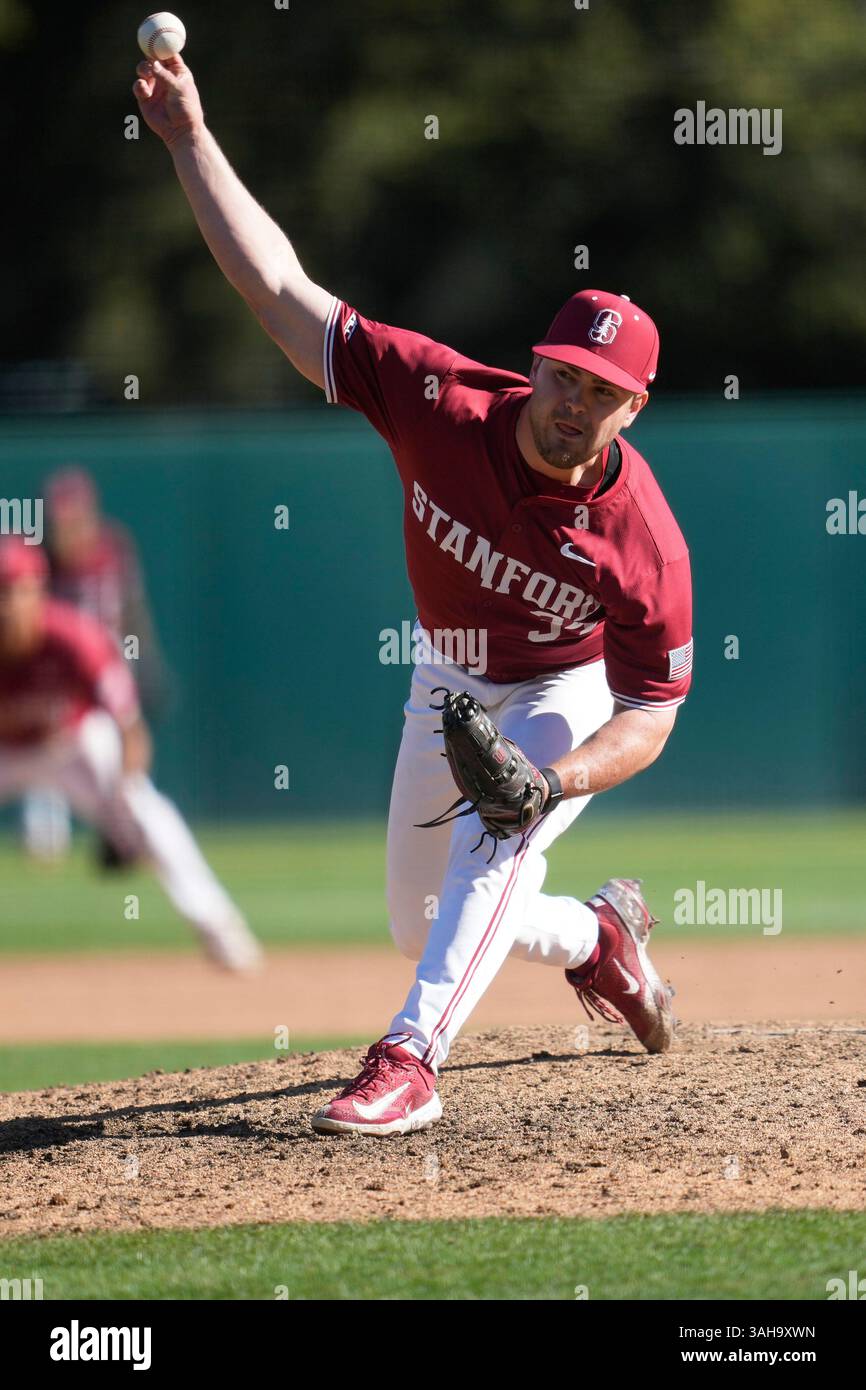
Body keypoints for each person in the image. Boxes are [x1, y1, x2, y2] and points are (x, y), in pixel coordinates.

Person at [134, 55, 692, 1134]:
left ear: (633, 409)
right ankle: (597, 937)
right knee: (416, 915)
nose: (574, 403)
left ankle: (409, 1058)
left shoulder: (642, 543)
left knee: (499, 826)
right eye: (565, 375)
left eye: (603, 393)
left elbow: (651, 715)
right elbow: (280, 293)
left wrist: (554, 775)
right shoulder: (441, 402)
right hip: (448, 679)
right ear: (536, 366)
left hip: (560, 688)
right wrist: (187, 140)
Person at [0, 537, 261, 972]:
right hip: (7, 751)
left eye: (14, 590)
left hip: (71, 742)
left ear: (38, 592)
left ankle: (219, 927)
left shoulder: (76, 638)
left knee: (145, 808)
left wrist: (118, 802)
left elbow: (129, 728)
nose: (5, 605)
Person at [21, 466, 170, 863]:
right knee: (50, 741)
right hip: (64, 669)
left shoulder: (113, 547)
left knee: (119, 747)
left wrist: (146, 660)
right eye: (59, 518)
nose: (66, 526)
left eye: (72, 516)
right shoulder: (45, 559)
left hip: (108, 660)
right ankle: (48, 837)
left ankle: (124, 832)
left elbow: (133, 608)